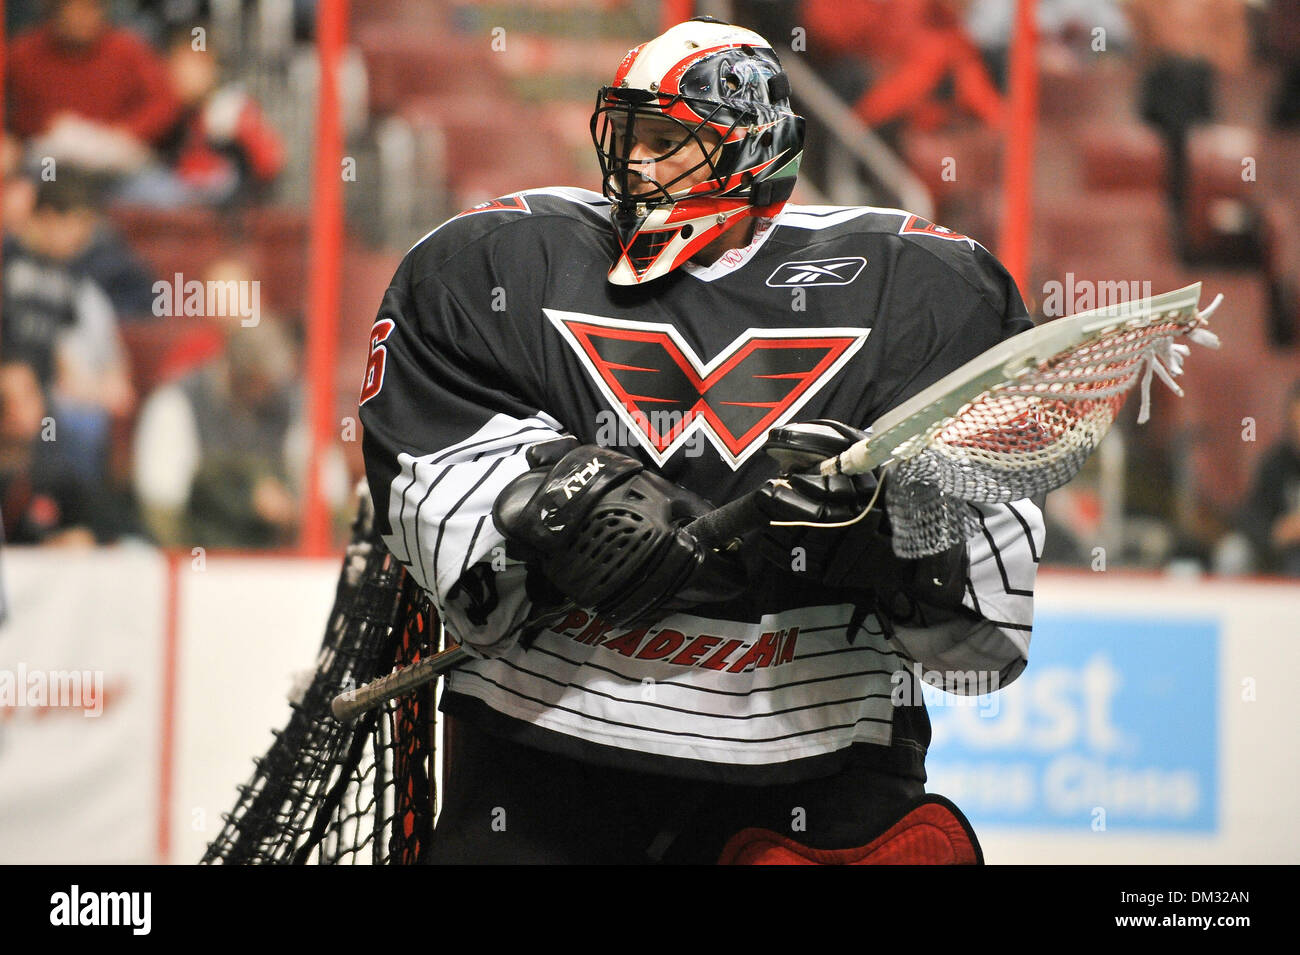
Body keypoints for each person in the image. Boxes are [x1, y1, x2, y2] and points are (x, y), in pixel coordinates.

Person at [359, 17, 1043, 864]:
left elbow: (987, 633)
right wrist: (552, 510)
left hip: (813, 765)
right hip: (543, 754)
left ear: (750, 150)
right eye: (629, 138)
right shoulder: (494, 260)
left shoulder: (922, 290)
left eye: (667, 142)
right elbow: (441, 495)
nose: (637, 166)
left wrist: (894, 537)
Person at [1236, 381, 1300, 576]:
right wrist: (1277, 532)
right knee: (1235, 552)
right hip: (1283, 554)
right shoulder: (1276, 462)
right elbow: (1250, 514)